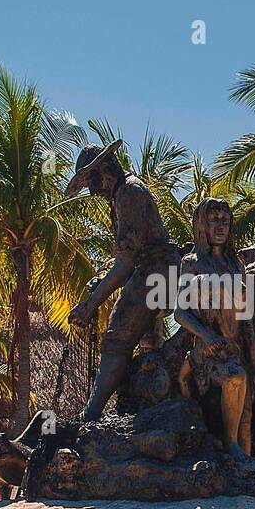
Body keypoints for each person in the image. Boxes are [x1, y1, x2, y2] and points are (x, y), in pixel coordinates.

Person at [64, 140, 181, 420]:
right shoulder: (121, 195)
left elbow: (127, 262)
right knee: (148, 341)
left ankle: (91, 414)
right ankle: (147, 402)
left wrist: (90, 304)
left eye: (91, 180)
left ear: (105, 170)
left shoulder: (128, 193)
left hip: (157, 270)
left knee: (118, 337)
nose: (92, 190)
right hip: (154, 270)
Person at [174, 197, 255, 459]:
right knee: (235, 378)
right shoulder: (192, 263)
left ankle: (246, 468)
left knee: (247, 416)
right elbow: (179, 313)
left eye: (225, 220)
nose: (221, 226)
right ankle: (230, 444)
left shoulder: (236, 264)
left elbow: (246, 314)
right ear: (203, 226)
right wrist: (207, 334)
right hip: (209, 347)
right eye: (214, 220)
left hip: (236, 344)